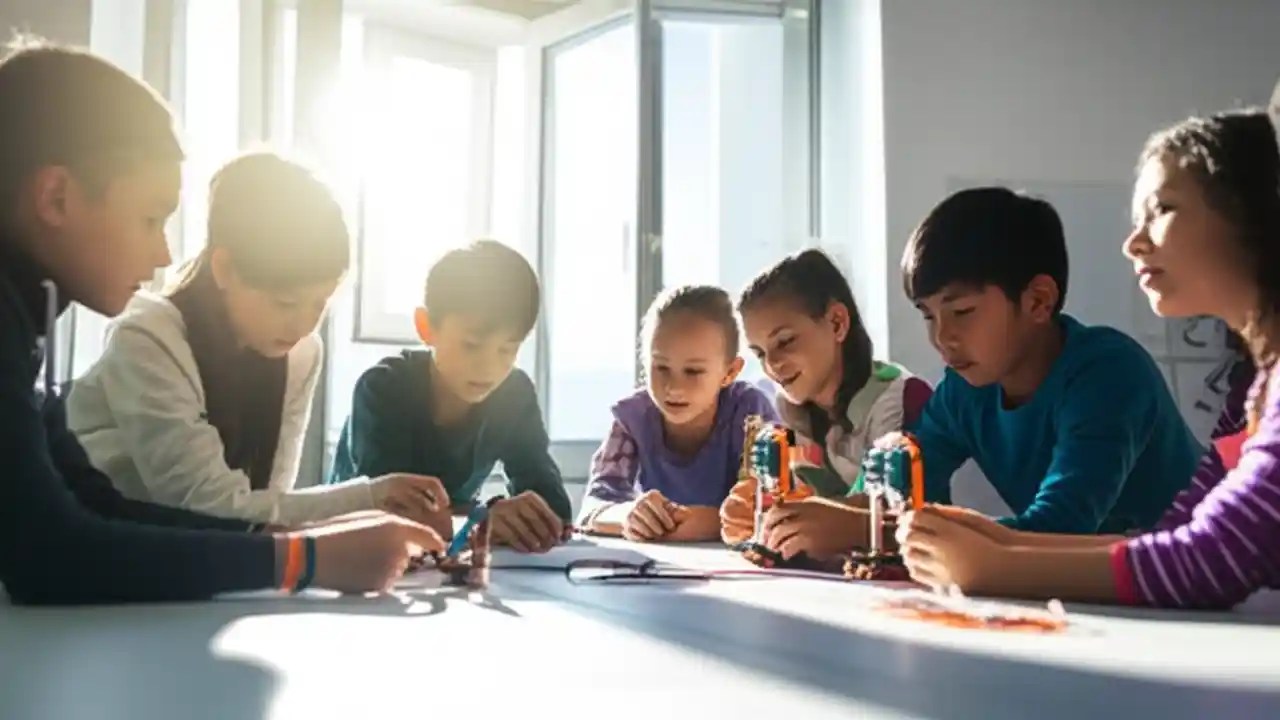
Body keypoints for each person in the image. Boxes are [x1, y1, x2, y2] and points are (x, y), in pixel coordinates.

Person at [0, 39, 440, 604]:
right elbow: (50, 556)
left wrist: (307, 543)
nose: (164, 254)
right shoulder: (87, 330)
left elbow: (92, 505)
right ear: (56, 197)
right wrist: (304, 559)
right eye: (149, 218)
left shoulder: (27, 328)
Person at [899, 108, 1280, 609]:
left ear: (1253, 215)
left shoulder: (1107, 370)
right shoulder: (1253, 387)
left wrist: (995, 561)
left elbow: (1209, 558)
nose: (1132, 243)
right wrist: (987, 544)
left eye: (1161, 209)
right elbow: (1179, 529)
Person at [68, 153, 447, 533]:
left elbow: (267, 504)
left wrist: (378, 500)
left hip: (193, 564)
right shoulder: (148, 337)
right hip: (97, 553)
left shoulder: (299, 353)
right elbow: (205, 506)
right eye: (285, 303)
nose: (303, 324)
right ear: (226, 269)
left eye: (321, 303)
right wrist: (367, 498)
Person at [900, 186, 1202, 534]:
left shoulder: (1109, 373)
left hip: (1203, 575)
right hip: (1093, 576)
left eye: (962, 311)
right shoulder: (964, 389)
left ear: (1038, 301)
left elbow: (1061, 525)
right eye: (928, 316)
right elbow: (910, 484)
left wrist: (936, 534)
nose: (941, 337)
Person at [328, 240, 572, 553]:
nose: (489, 367)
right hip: (350, 548)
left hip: (440, 558)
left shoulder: (513, 394)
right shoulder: (383, 389)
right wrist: (482, 519)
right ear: (426, 326)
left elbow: (552, 503)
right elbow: (393, 514)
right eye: (471, 345)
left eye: (507, 349)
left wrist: (532, 516)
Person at [720, 249, 932, 559]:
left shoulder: (902, 399)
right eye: (761, 353)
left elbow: (891, 505)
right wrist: (754, 510)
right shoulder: (785, 411)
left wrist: (799, 514)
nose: (773, 365)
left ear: (836, 323)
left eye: (785, 341)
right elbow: (788, 497)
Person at [579, 285, 776, 542]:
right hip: (658, 569)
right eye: (661, 367)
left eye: (693, 371)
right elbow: (592, 506)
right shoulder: (632, 418)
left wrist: (713, 522)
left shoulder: (751, 412)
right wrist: (626, 515)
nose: (673, 387)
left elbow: (773, 504)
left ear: (730, 372)